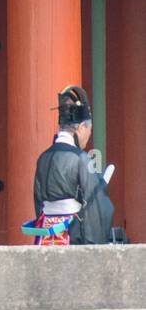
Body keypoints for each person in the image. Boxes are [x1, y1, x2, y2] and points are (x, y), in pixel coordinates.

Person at [25, 85, 117, 245]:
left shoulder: (43, 158)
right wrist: (100, 189)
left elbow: (39, 203)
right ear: (81, 128)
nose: (88, 136)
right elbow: (95, 207)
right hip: (71, 236)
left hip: (46, 237)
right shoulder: (81, 159)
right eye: (89, 130)